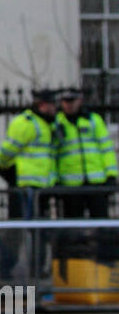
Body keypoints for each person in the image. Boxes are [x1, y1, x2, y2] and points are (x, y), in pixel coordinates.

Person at [54, 86, 117, 265]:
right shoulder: (57, 123)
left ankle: (106, 260)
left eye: (72, 101)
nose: (69, 105)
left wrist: (111, 174)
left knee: (102, 225)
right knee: (72, 228)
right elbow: (52, 154)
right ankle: (76, 262)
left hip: (96, 181)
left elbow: (106, 150)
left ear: (80, 100)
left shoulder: (93, 120)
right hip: (70, 184)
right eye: (65, 101)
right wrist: (56, 181)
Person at [0, 88, 58, 220]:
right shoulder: (26, 122)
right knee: (26, 223)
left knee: (39, 225)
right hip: (27, 184)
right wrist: (7, 168)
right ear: (42, 105)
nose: (55, 108)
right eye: (52, 104)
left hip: (43, 184)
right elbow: (7, 151)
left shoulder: (47, 124)